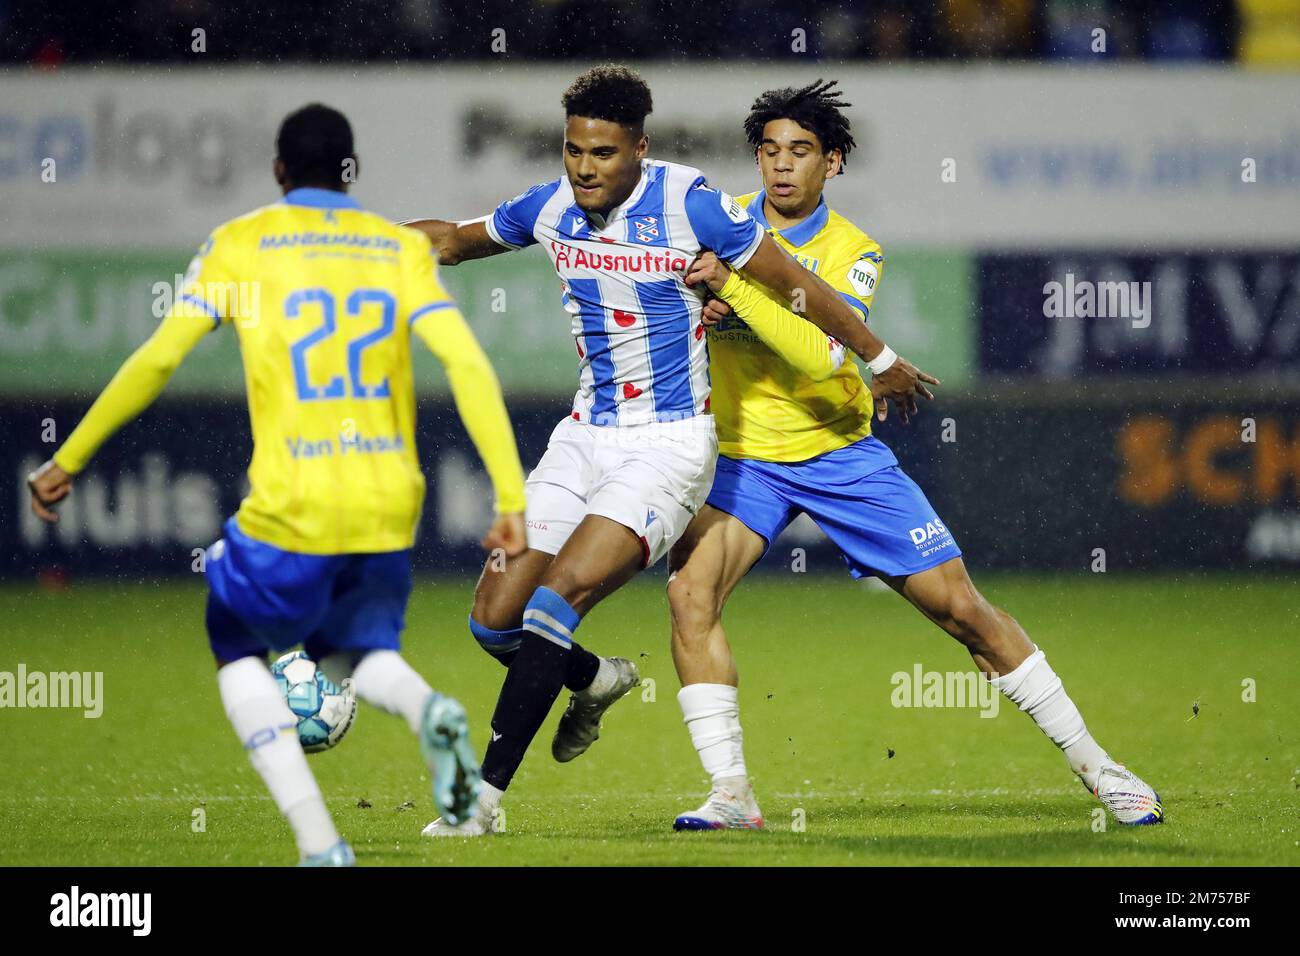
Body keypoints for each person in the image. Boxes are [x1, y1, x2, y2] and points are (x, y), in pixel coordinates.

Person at [404, 64, 937, 835]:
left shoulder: (691, 207)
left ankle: (479, 805)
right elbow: (451, 241)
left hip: (671, 446)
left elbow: (798, 289)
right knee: (495, 620)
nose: (586, 168)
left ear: (640, 150)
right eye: (575, 151)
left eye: (605, 154)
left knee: (558, 604)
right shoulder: (549, 206)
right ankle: (592, 683)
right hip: (583, 437)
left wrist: (879, 361)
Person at [26, 103, 531, 864]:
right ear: (350, 171)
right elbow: (465, 365)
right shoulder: (392, 249)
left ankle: (320, 841)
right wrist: (510, 496)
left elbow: (160, 360)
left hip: (293, 494)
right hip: (390, 495)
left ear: (278, 169)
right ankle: (429, 710)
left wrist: (69, 458)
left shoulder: (241, 244)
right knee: (361, 647)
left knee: (235, 642)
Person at [665, 79, 1163, 830]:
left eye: (800, 152)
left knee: (963, 611)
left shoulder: (853, 251)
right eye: (769, 151)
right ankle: (731, 793)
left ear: (831, 163)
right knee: (688, 596)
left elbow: (818, 352)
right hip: (741, 459)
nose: (780, 167)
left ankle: (1099, 765)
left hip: (839, 452)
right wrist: (692, 302)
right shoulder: (719, 227)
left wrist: (733, 289)